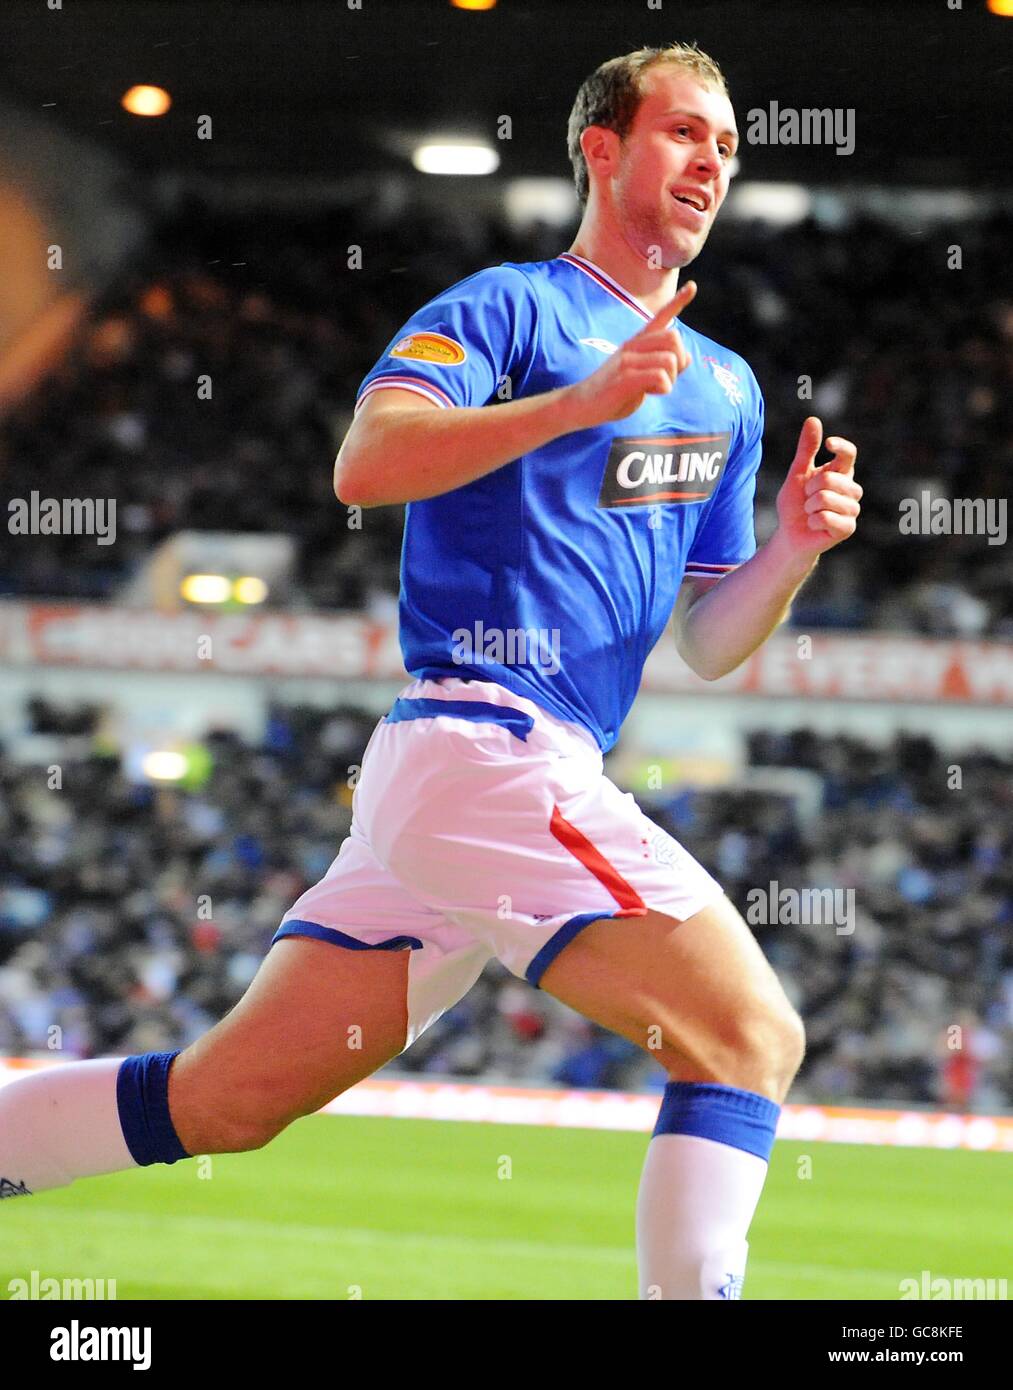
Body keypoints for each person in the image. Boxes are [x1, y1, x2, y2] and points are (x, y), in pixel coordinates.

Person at [0, 42, 861, 1300]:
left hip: (473, 790)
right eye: (682, 133)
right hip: (483, 753)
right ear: (602, 148)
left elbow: (708, 643)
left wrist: (789, 548)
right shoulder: (506, 310)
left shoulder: (723, 387)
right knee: (748, 1039)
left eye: (727, 146)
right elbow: (367, 462)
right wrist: (573, 405)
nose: (710, 164)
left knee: (227, 1097)